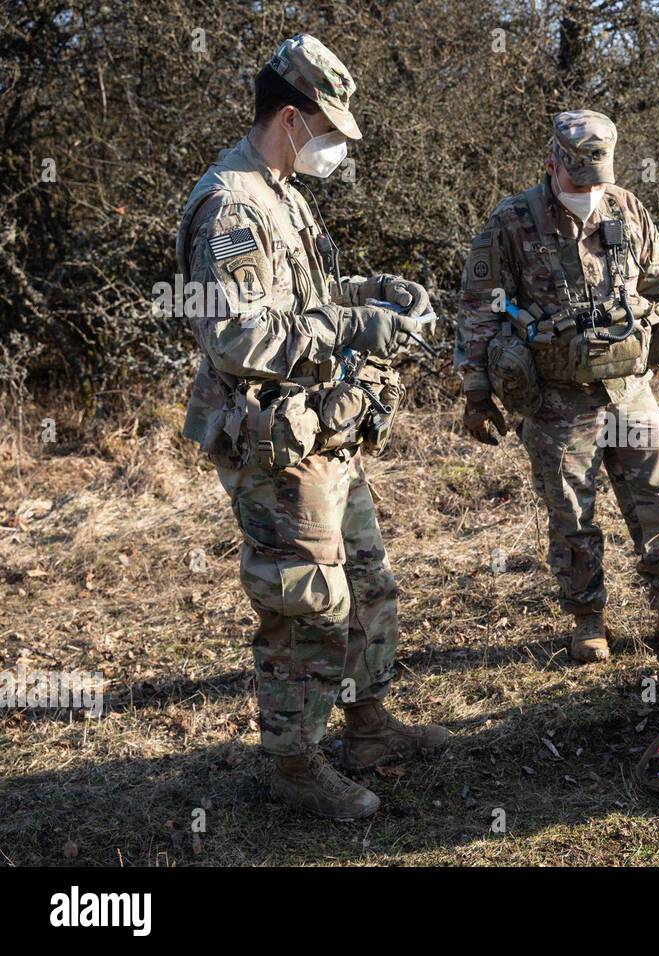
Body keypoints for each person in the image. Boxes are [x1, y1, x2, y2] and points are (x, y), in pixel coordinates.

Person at [176, 34, 446, 820]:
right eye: (329, 128)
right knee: (305, 606)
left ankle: (367, 726)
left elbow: (303, 295)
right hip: (276, 445)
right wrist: (353, 327)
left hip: (325, 433)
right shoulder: (232, 202)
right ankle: (292, 764)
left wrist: (373, 292)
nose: (335, 146)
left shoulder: (282, 189)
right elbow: (234, 336)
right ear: (292, 118)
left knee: (366, 584)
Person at [455, 110, 659, 668]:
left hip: (629, 386)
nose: (590, 188)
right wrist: (477, 392)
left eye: (597, 177)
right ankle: (587, 619)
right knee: (571, 512)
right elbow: (479, 306)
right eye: (579, 178)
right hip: (556, 394)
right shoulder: (511, 220)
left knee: (658, 501)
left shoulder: (627, 207)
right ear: (552, 162)